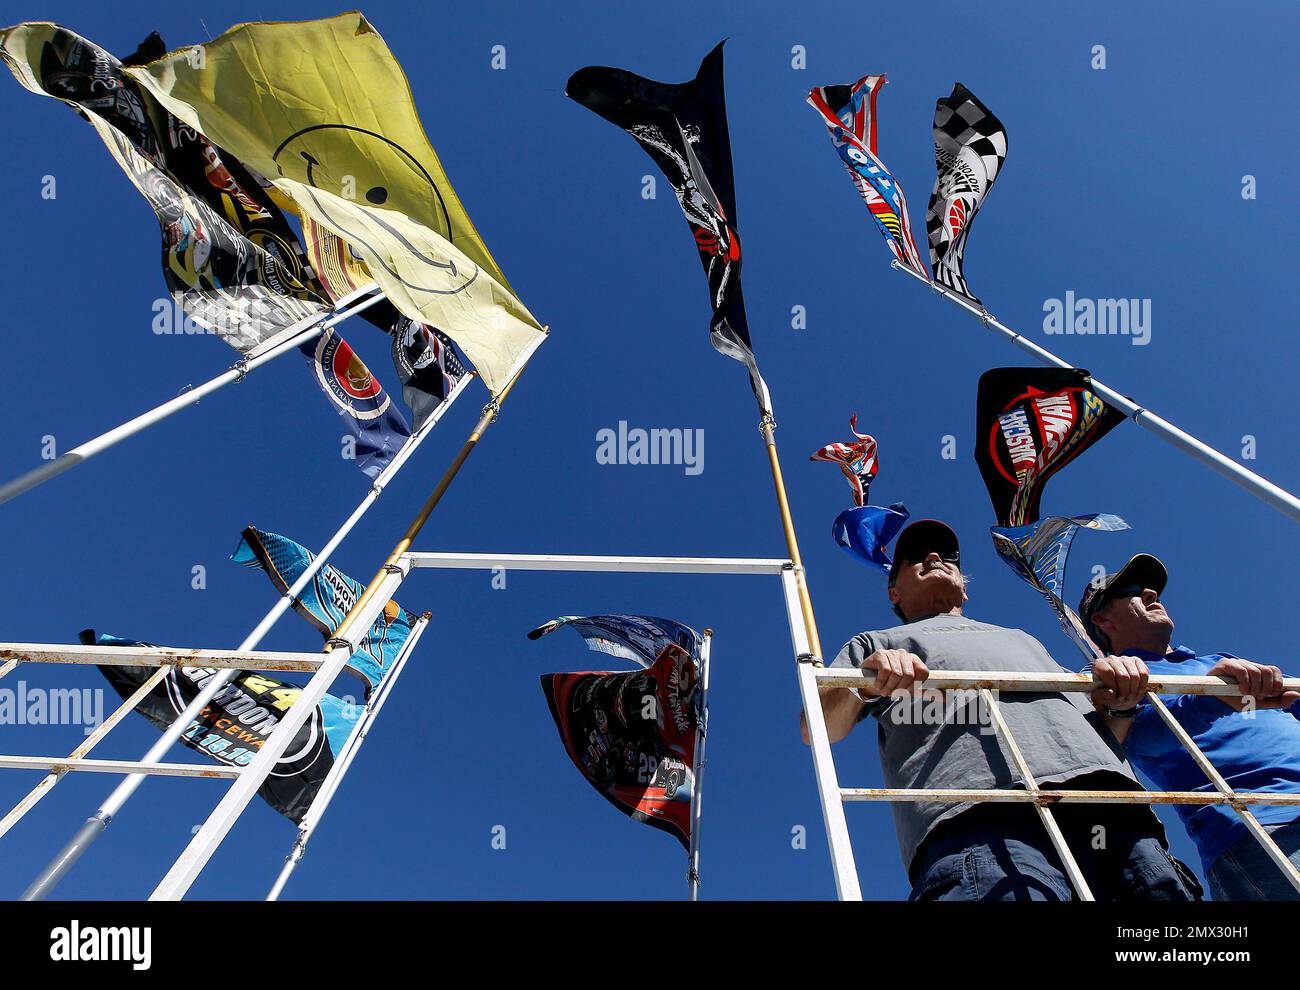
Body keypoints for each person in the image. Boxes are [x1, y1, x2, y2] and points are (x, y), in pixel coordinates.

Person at [803, 518, 1199, 901]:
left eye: (949, 557)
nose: (935, 558)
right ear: (894, 592)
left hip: (1109, 808)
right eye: (915, 556)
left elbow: (1100, 732)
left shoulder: (1023, 639)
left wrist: (1120, 704)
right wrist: (865, 685)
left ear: (965, 589)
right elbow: (817, 727)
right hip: (977, 816)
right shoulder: (876, 642)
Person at [1080, 553, 1300, 900]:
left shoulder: (1216, 661)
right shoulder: (1110, 681)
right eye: (1134, 590)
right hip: (1262, 826)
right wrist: (1214, 698)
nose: (1152, 594)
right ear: (1103, 619)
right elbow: (1130, 741)